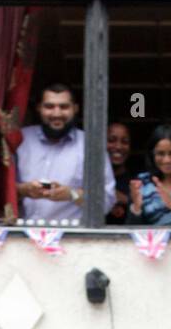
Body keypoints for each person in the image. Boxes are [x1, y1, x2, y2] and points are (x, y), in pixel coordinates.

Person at [15, 83, 115, 224]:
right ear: (39, 108)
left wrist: (72, 194)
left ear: (75, 109)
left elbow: (107, 201)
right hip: (18, 237)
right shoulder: (20, 140)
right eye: (49, 107)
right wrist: (23, 190)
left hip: (72, 239)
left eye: (64, 107)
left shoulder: (91, 145)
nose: (57, 113)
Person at [127, 125, 171, 227]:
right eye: (160, 154)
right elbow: (130, 230)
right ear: (152, 155)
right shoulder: (141, 183)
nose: (167, 160)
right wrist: (136, 207)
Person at [106, 121, 132, 225]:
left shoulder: (137, 181)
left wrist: (126, 200)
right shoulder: (88, 179)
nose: (118, 147)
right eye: (111, 140)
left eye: (124, 142)